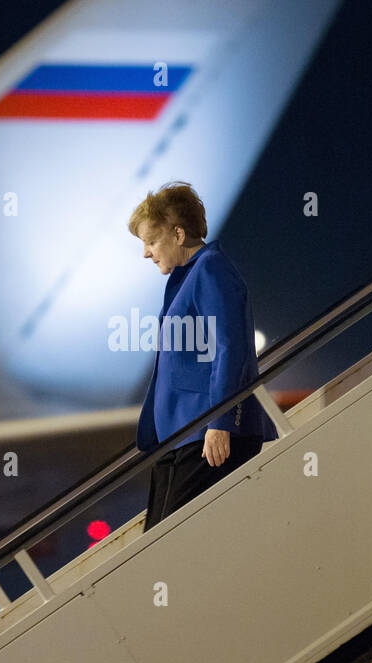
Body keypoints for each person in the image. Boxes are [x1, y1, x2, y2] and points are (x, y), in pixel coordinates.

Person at [128, 181, 277, 531]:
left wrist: (220, 422)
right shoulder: (184, 278)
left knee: (167, 551)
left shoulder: (211, 268)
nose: (146, 253)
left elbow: (230, 348)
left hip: (205, 435)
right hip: (178, 438)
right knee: (153, 552)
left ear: (178, 234)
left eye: (151, 241)